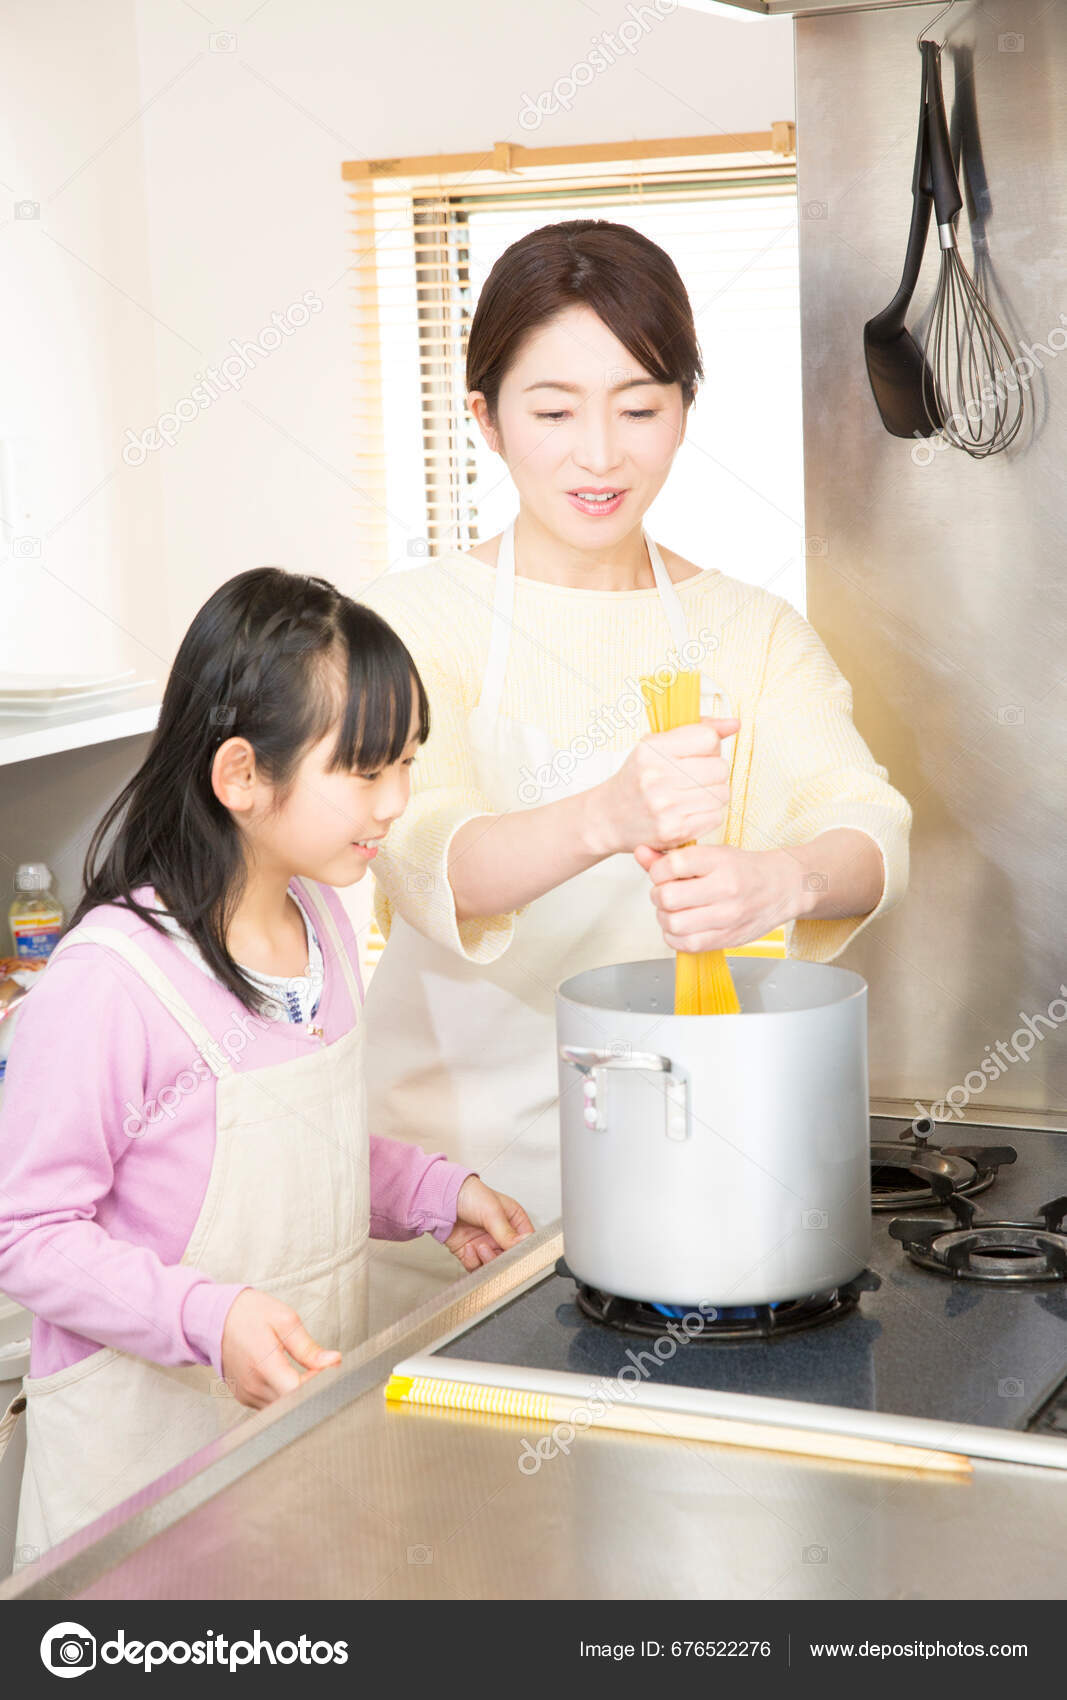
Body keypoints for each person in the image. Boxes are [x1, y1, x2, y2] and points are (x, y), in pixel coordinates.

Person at [359, 218, 912, 1308]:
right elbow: (426, 858)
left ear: (683, 411)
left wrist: (781, 878)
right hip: (435, 1201)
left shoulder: (748, 633)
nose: (600, 454)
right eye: (553, 411)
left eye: (638, 407)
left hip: (666, 1187)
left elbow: (868, 824)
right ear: (485, 418)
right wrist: (606, 814)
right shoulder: (406, 623)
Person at [0, 566, 531, 1560]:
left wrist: (431, 1192)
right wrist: (209, 1319)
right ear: (242, 775)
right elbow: (24, 1232)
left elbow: (295, 1149)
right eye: (364, 771)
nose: (397, 801)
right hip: (136, 1482)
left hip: (287, 1461)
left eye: (407, 762)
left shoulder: (322, 918)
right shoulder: (111, 980)